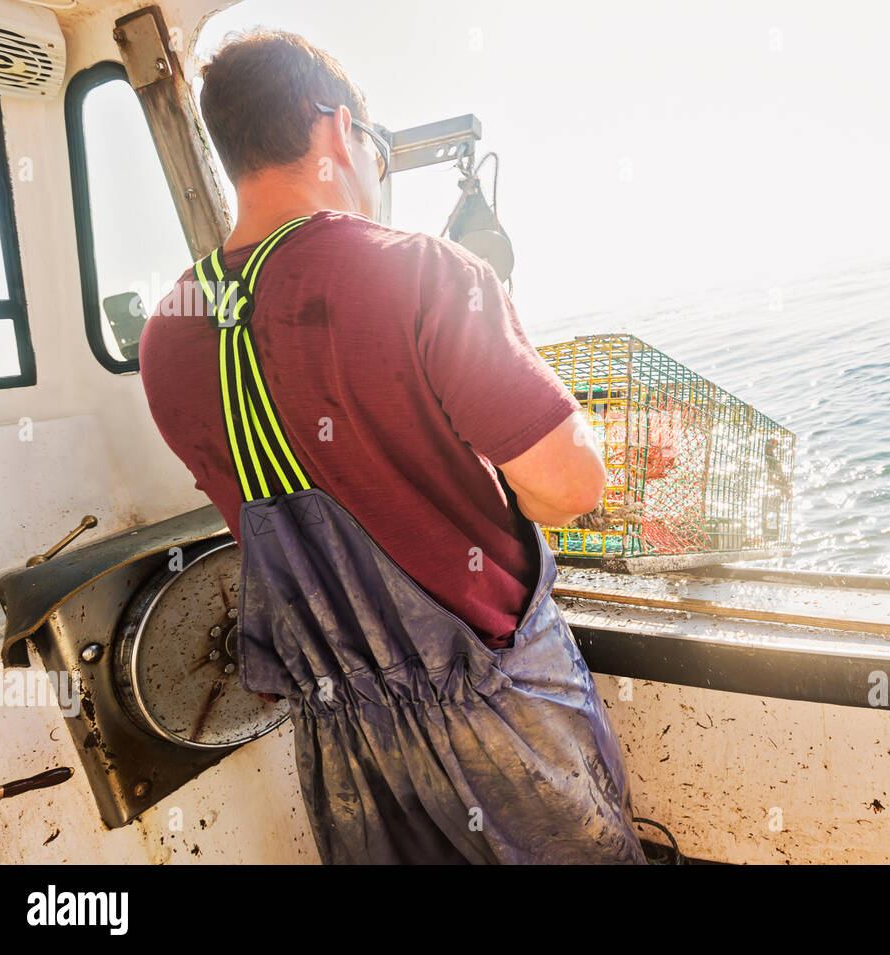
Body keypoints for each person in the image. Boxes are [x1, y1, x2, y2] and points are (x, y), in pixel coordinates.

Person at [138, 28, 647, 865]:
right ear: (337, 130)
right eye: (375, 148)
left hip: (345, 748)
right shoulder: (420, 270)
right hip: (494, 721)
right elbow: (567, 487)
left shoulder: (168, 335)